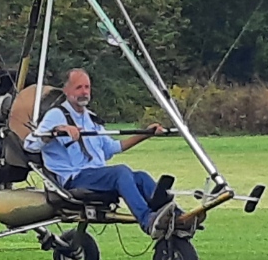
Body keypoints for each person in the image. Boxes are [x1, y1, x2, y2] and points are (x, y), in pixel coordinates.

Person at [23, 68, 184, 236]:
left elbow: (113, 148)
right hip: (75, 178)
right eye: (78, 87)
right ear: (66, 90)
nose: (84, 92)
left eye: (87, 87)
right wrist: (58, 129)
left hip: (97, 176)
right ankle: (146, 220)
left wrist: (145, 134)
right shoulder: (55, 115)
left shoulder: (91, 118)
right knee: (120, 172)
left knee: (141, 177)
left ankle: (178, 218)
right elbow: (30, 144)